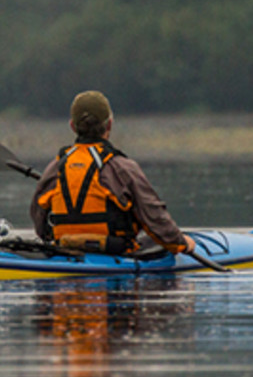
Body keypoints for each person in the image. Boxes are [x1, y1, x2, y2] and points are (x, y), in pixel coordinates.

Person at [30, 90, 196, 255]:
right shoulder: (122, 167)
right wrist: (181, 243)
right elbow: (154, 217)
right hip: (114, 252)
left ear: (72, 126)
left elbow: (39, 223)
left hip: (64, 249)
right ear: (109, 124)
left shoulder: (56, 166)